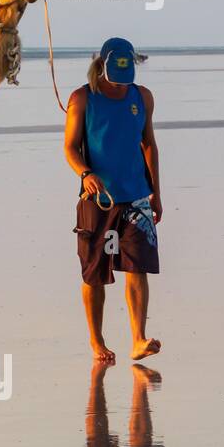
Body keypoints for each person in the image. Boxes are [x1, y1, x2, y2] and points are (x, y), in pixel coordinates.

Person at [63, 38, 163, 363]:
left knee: (138, 269)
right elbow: (70, 147)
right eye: (115, 78)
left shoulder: (142, 97)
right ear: (102, 68)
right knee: (95, 273)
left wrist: (156, 192)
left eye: (126, 78)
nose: (121, 86)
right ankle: (97, 341)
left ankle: (138, 338)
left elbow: (149, 144)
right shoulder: (82, 98)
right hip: (98, 200)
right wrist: (85, 174)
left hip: (136, 199)